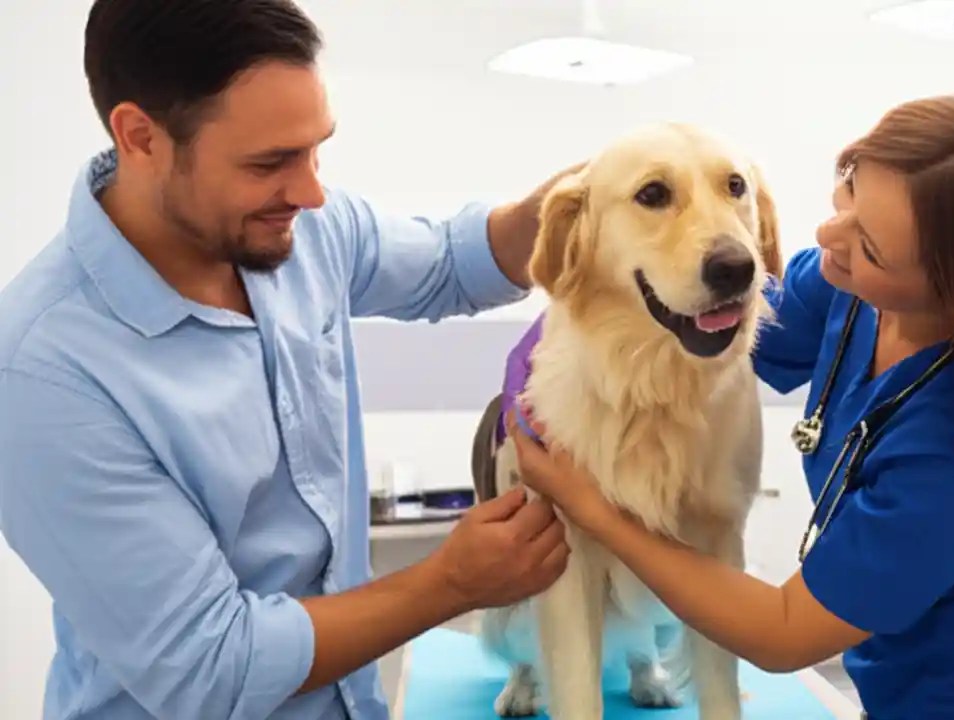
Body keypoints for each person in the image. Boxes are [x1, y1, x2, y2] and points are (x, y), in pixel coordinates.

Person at [0, 1, 576, 719]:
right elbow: (213, 667)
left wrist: (579, 206)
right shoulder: (45, 373)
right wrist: (451, 583)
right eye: (269, 162)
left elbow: (456, 262)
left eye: (315, 148)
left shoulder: (301, 228)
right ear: (140, 136)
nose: (311, 191)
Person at [506, 94, 954, 719]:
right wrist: (565, 339)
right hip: (905, 693)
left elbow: (785, 633)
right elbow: (714, 332)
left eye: (869, 243)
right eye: (849, 191)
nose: (827, 233)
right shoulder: (849, 288)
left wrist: (595, 512)